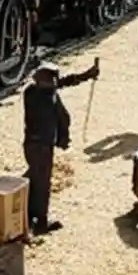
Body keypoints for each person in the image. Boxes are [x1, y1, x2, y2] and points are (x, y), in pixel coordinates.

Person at [22, 60, 100, 234]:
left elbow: (64, 82)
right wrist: (64, 139)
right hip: (41, 147)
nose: (56, 82)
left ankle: (28, 213)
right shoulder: (48, 100)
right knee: (42, 184)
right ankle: (40, 222)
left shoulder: (32, 91)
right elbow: (63, 118)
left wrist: (86, 75)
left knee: (35, 176)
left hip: (31, 145)